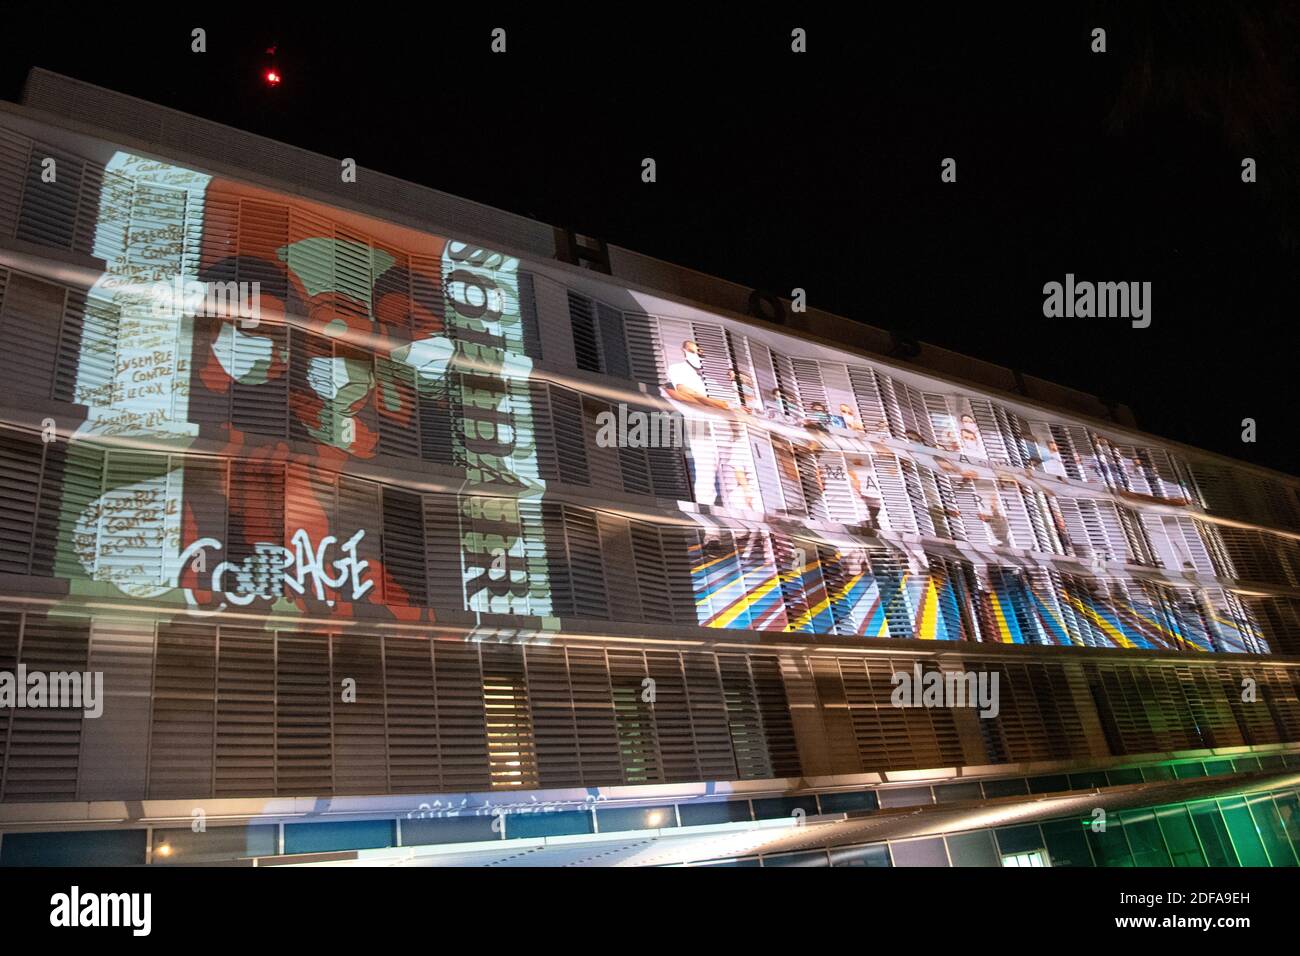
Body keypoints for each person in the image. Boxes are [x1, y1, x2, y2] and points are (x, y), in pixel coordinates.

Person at [665, 339, 733, 505]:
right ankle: (710, 526)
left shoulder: (711, 376)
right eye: (693, 350)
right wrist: (718, 404)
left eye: (700, 351)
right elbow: (685, 393)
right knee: (706, 472)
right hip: (699, 424)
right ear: (685, 350)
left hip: (723, 425)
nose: (697, 353)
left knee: (731, 474)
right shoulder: (678, 368)